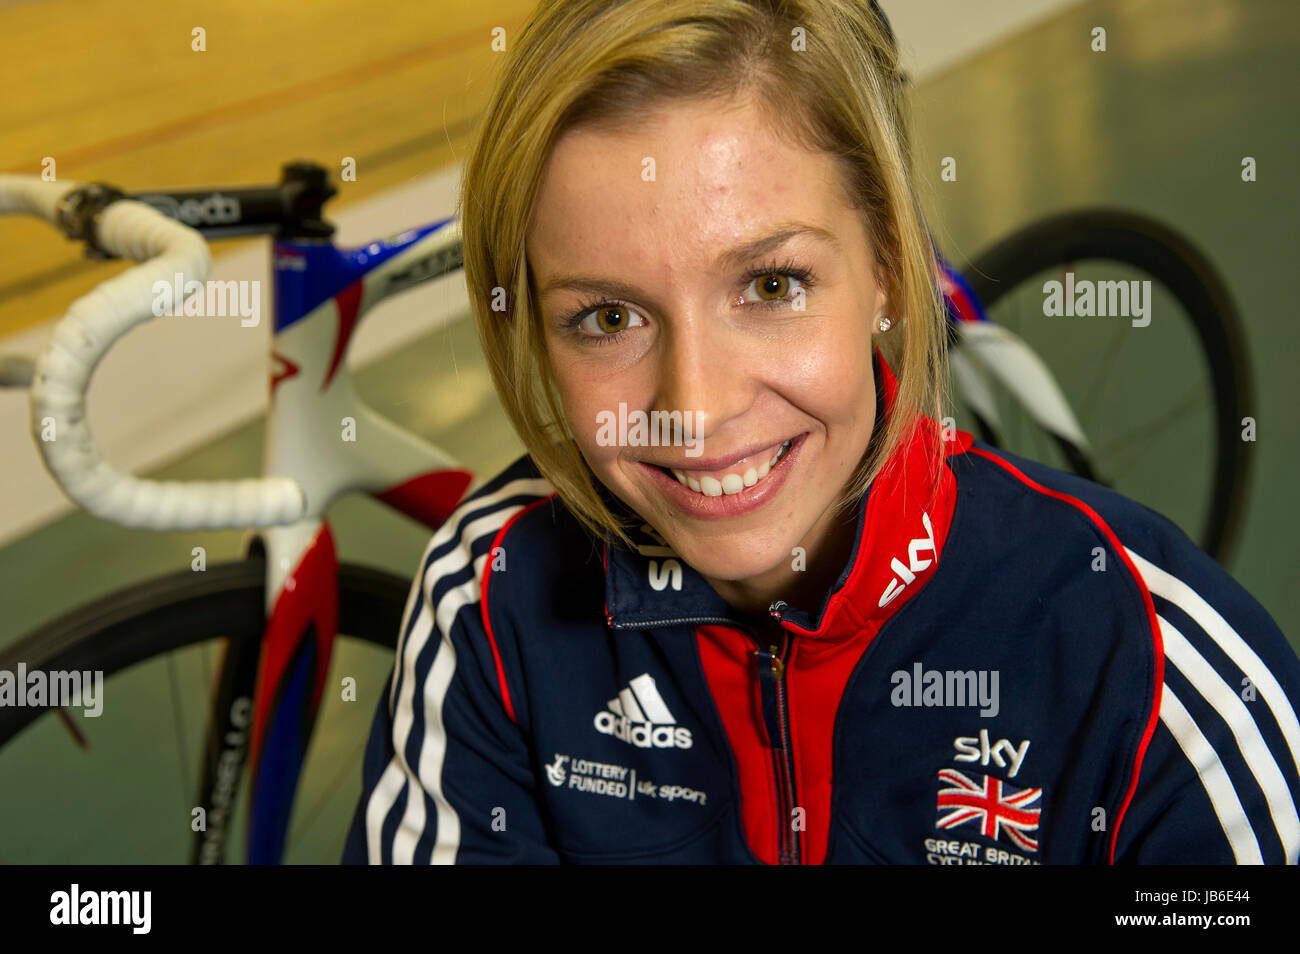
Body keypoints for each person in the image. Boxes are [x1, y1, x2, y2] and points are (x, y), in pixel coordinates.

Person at [342, 0, 1299, 865]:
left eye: (770, 286)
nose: (698, 408)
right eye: (606, 318)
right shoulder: (489, 601)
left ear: (890, 262)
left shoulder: (1154, 675)